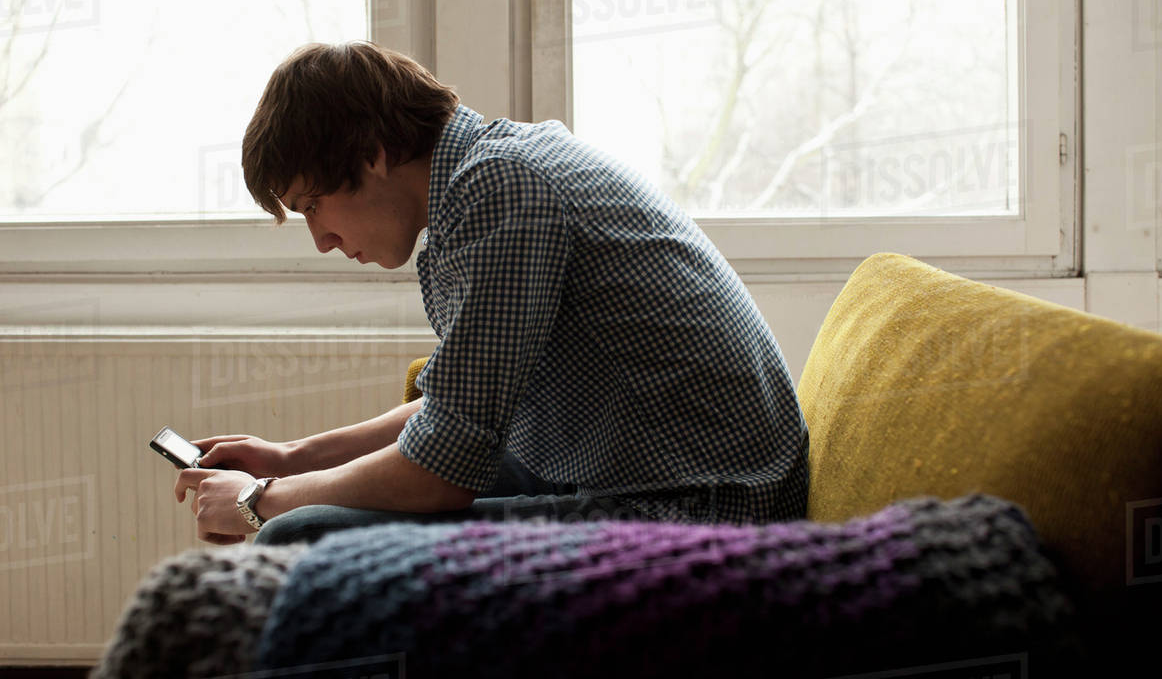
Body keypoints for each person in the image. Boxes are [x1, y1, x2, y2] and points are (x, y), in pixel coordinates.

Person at [174, 41, 809, 546]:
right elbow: (457, 410)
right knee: (312, 505)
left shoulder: (501, 191)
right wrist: (292, 458)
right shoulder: (496, 173)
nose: (321, 239)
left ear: (370, 153)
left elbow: (440, 470)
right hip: (651, 472)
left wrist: (259, 501)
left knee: (299, 533)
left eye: (313, 206)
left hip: (701, 510)